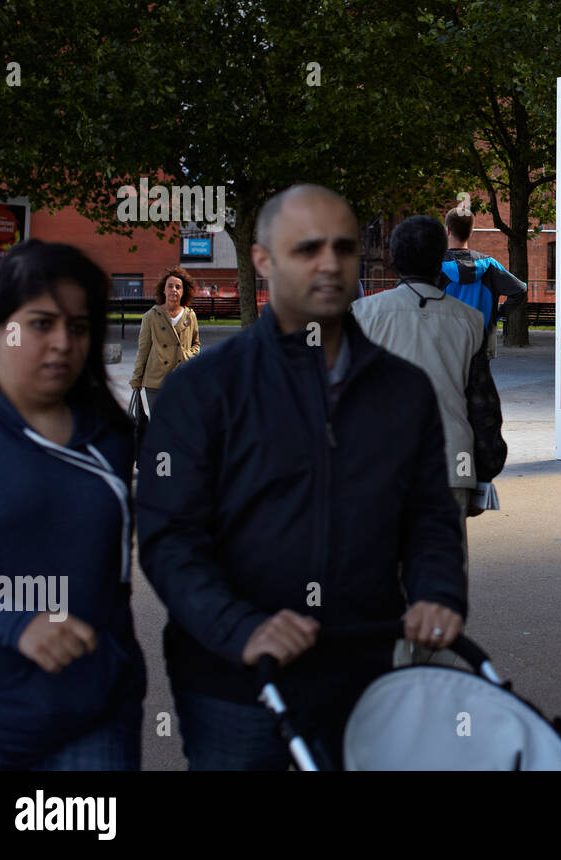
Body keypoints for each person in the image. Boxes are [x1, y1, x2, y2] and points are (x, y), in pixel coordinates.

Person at [137, 184, 467, 770]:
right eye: (306, 248)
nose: (329, 263)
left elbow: (430, 515)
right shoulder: (202, 390)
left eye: (343, 247)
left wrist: (437, 589)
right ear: (262, 260)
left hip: (360, 670)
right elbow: (170, 538)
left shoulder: (402, 389)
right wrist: (240, 627)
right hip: (234, 681)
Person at [0, 241, 146, 769]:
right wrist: (16, 622)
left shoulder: (110, 432)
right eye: (41, 324)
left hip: (94, 720)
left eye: (80, 327)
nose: (64, 343)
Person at [352, 215, 507, 663]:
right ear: (440, 257)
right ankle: (430, 677)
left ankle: (390, 676)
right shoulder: (469, 322)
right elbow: (483, 409)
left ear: (395, 259)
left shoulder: (363, 316)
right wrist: (485, 474)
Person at [438, 208, 528, 359]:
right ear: (470, 232)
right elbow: (519, 289)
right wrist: (498, 312)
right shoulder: (489, 265)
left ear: (447, 231)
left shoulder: (433, 267)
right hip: (481, 347)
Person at [130, 267, 201, 410]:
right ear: (164, 290)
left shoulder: (190, 315)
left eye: (178, 287)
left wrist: (186, 355)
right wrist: (136, 379)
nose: (174, 290)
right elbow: (143, 350)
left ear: (183, 292)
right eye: (170, 286)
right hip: (156, 380)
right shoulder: (151, 316)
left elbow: (196, 345)